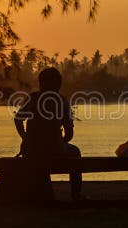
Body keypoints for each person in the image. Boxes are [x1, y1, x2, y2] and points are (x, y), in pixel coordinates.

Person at [14, 67, 83, 200]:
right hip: (54, 149)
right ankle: (76, 194)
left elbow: (18, 120)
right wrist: (60, 141)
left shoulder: (32, 98)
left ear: (40, 83)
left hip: (31, 150)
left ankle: (45, 193)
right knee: (76, 152)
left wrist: (25, 138)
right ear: (59, 84)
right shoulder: (62, 101)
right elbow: (69, 134)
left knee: (40, 159)